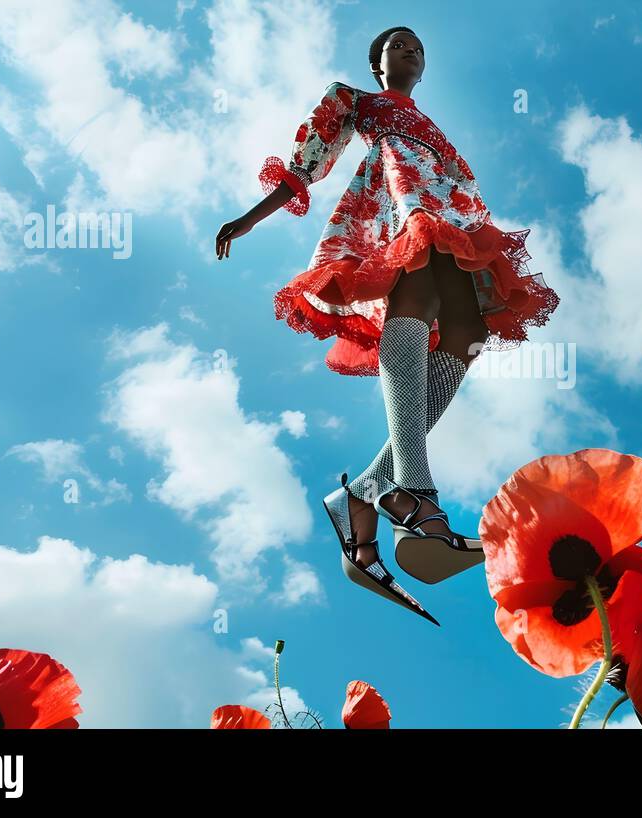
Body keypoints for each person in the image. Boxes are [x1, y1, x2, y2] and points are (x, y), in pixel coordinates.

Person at [215, 26, 559, 624]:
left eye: (419, 48)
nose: (410, 51)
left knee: (468, 328)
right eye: (397, 44)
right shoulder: (353, 100)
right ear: (376, 62)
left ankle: (368, 493)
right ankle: (413, 496)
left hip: (453, 215)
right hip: (394, 205)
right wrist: (249, 219)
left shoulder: (437, 129)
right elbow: (306, 164)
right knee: (416, 294)